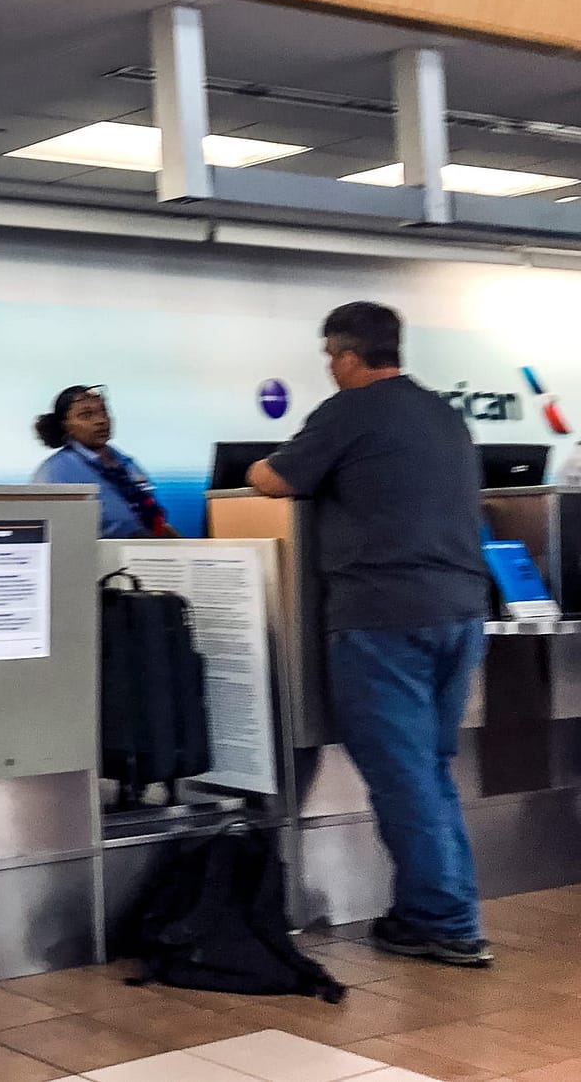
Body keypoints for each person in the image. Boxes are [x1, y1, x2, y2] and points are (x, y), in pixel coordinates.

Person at [247, 301, 492, 967]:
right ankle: (442, 910)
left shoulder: (349, 412)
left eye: (331, 357)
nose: (330, 368)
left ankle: (444, 921)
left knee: (403, 777)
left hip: (383, 617)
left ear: (350, 356)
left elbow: (270, 478)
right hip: (461, 612)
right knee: (429, 772)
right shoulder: (442, 413)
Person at [31, 384, 177, 538]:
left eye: (103, 411)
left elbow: (150, 519)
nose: (101, 420)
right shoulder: (55, 472)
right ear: (65, 425)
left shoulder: (126, 463)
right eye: (86, 415)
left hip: (144, 555)